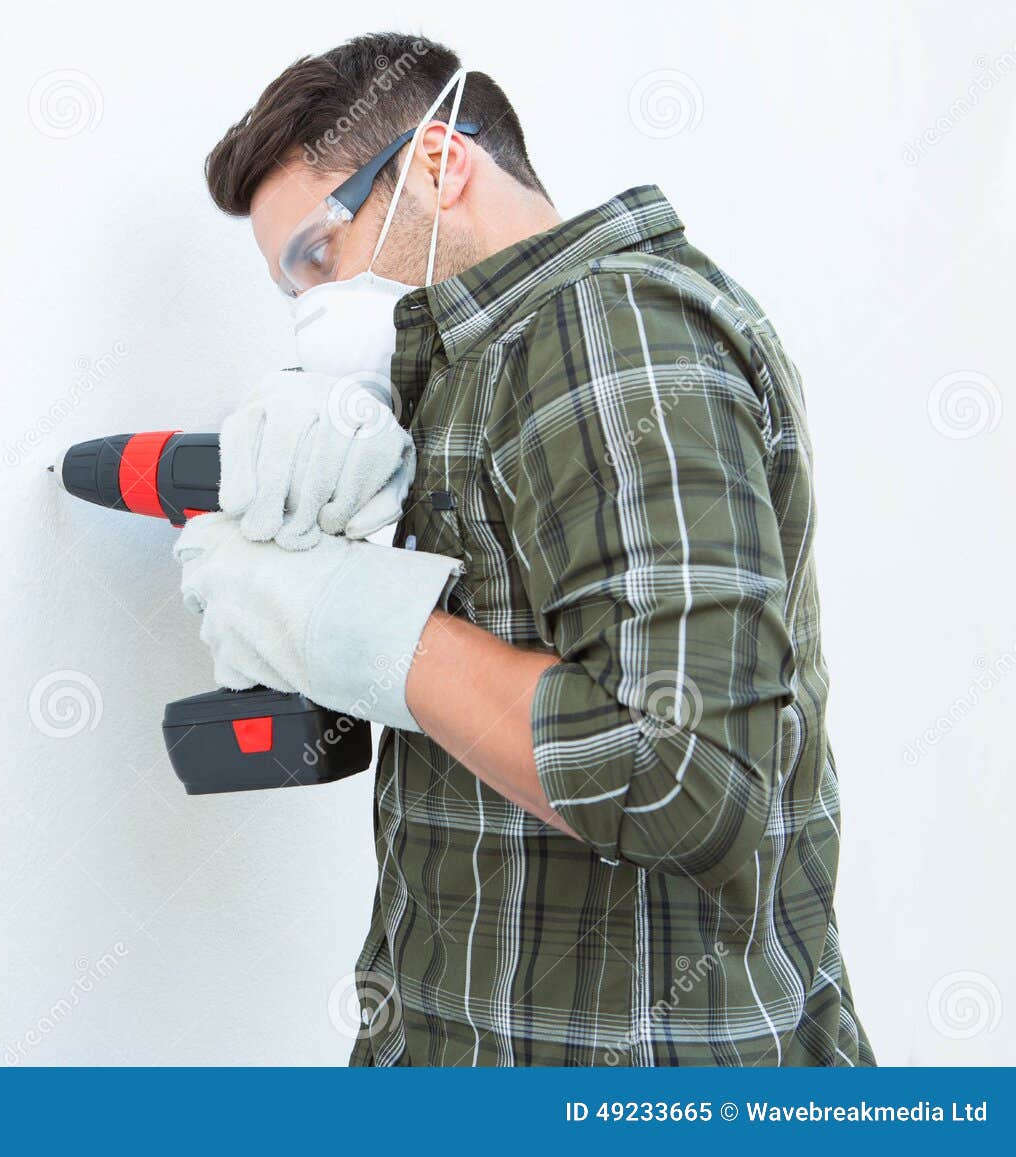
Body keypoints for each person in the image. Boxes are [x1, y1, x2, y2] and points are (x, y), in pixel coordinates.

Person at [177, 31, 870, 1066]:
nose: (314, 302)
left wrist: (345, 617)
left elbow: (683, 771)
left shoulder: (613, 330)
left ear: (438, 162)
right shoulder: (494, 361)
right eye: (293, 289)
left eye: (316, 254)